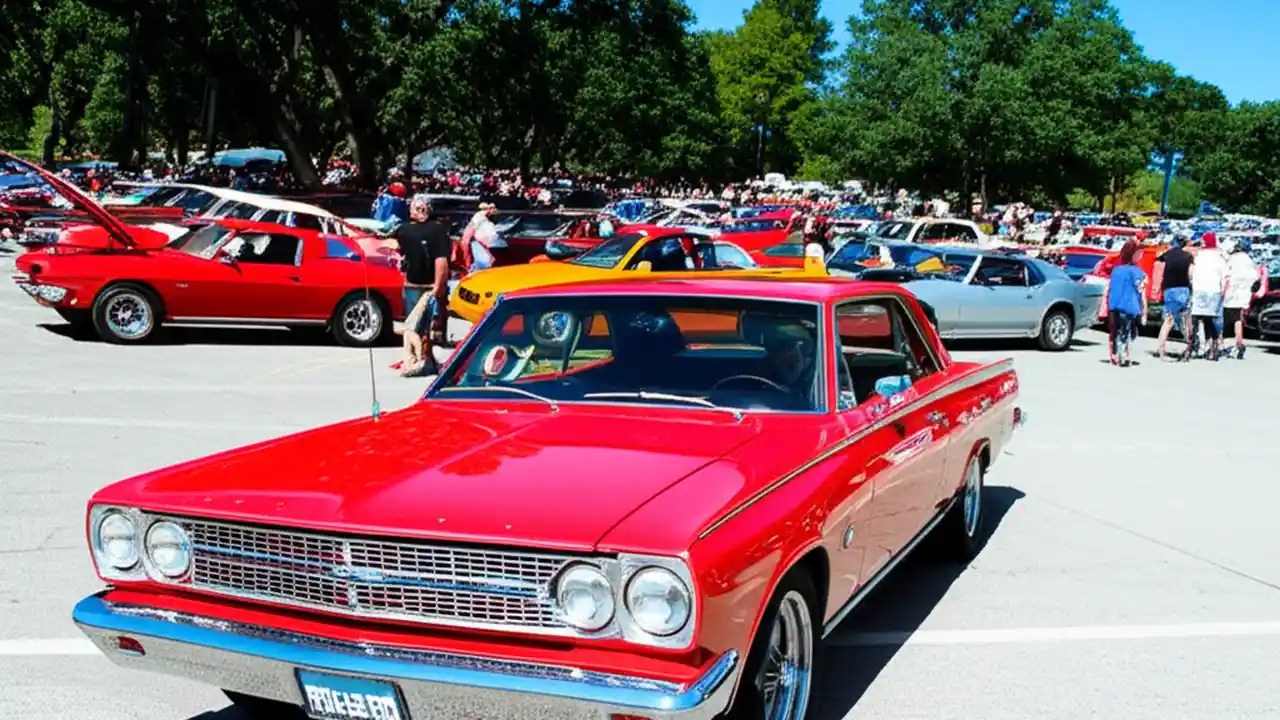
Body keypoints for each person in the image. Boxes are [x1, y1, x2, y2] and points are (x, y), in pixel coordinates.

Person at [393, 195, 452, 377]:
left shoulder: (436, 230)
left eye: (424, 207)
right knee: (414, 326)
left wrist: (438, 286)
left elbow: (441, 260)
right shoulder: (403, 230)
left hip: (429, 286)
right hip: (412, 284)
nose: (421, 210)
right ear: (410, 210)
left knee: (427, 327)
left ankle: (423, 360)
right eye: (417, 207)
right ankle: (417, 359)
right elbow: (399, 253)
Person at [1185, 231, 1227, 361]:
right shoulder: (1220, 257)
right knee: (1210, 320)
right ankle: (1213, 349)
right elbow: (1225, 277)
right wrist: (1223, 292)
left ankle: (1191, 346)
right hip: (1214, 290)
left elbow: (1190, 273)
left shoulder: (1198, 256)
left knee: (1195, 319)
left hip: (1199, 289)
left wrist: (1192, 283)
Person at [1106, 240, 1147, 366]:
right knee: (1127, 332)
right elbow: (1141, 292)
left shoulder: (1116, 270)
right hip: (1129, 306)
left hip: (1114, 305)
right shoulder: (1137, 272)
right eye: (1139, 254)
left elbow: (1111, 288)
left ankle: (1115, 354)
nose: (1141, 257)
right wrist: (1144, 312)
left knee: (1117, 331)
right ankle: (1123, 355)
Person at [1154, 235, 1194, 361]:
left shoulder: (1165, 255)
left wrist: (1157, 288)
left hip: (1169, 289)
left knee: (1168, 321)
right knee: (1185, 320)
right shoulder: (1188, 256)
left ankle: (1161, 351)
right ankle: (1189, 348)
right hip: (1183, 289)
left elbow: (1158, 269)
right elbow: (1191, 274)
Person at [1222, 237, 1262, 359]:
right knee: (1237, 319)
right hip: (1243, 295)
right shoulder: (1250, 261)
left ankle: (1225, 345)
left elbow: (1226, 275)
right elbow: (1256, 277)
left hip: (1231, 293)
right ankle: (1239, 344)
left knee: (1225, 320)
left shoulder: (1232, 259)